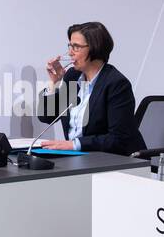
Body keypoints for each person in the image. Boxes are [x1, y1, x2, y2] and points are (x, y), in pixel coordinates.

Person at [36, 21, 146, 155]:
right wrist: (53, 83)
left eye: (76, 47)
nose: (70, 53)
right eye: (70, 46)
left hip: (113, 160)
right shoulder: (72, 76)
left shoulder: (116, 84)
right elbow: (47, 117)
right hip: (80, 157)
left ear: (95, 48)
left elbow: (118, 138)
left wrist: (74, 144)